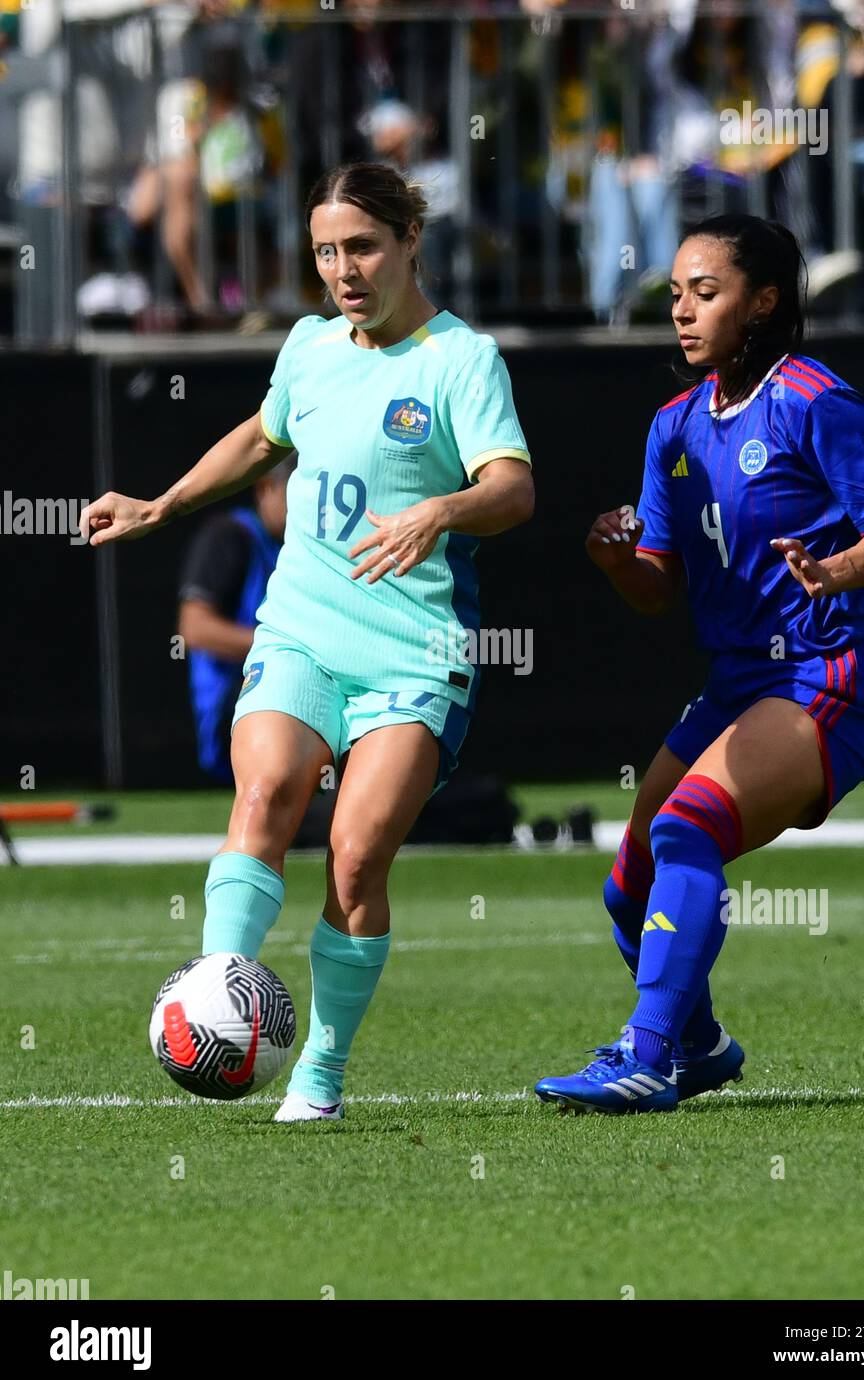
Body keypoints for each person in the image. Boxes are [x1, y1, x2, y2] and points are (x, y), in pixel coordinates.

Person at [81, 160, 534, 1122]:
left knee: (359, 854)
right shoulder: (309, 346)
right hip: (302, 631)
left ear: (412, 238)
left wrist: (442, 511)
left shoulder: (463, 359)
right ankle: (221, 995)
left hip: (415, 650)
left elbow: (513, 489)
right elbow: (259, 436)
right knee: (269, 790)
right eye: (327, 251)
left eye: (362, 246)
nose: (343, 269)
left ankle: (320, 1070)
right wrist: (160, 505)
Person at [535, 213, 864, 1115]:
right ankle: (701, 1045)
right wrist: (612, 558)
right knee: (628, 881)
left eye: (704, 293)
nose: (682, 311)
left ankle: (645, 1054)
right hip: (736, 685)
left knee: (686, 830)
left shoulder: (814, 400)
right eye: (675, 294)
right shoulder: (673, 427)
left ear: (763, 302)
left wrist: (835, 570)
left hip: (823, 679)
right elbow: (657, 589)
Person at [178, 457, 291, 784]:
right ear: (266, 488)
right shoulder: (229, 535)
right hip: (235, 701)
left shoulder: (301, 549)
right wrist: (286, 646)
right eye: (297, 491)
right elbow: (194, 629)